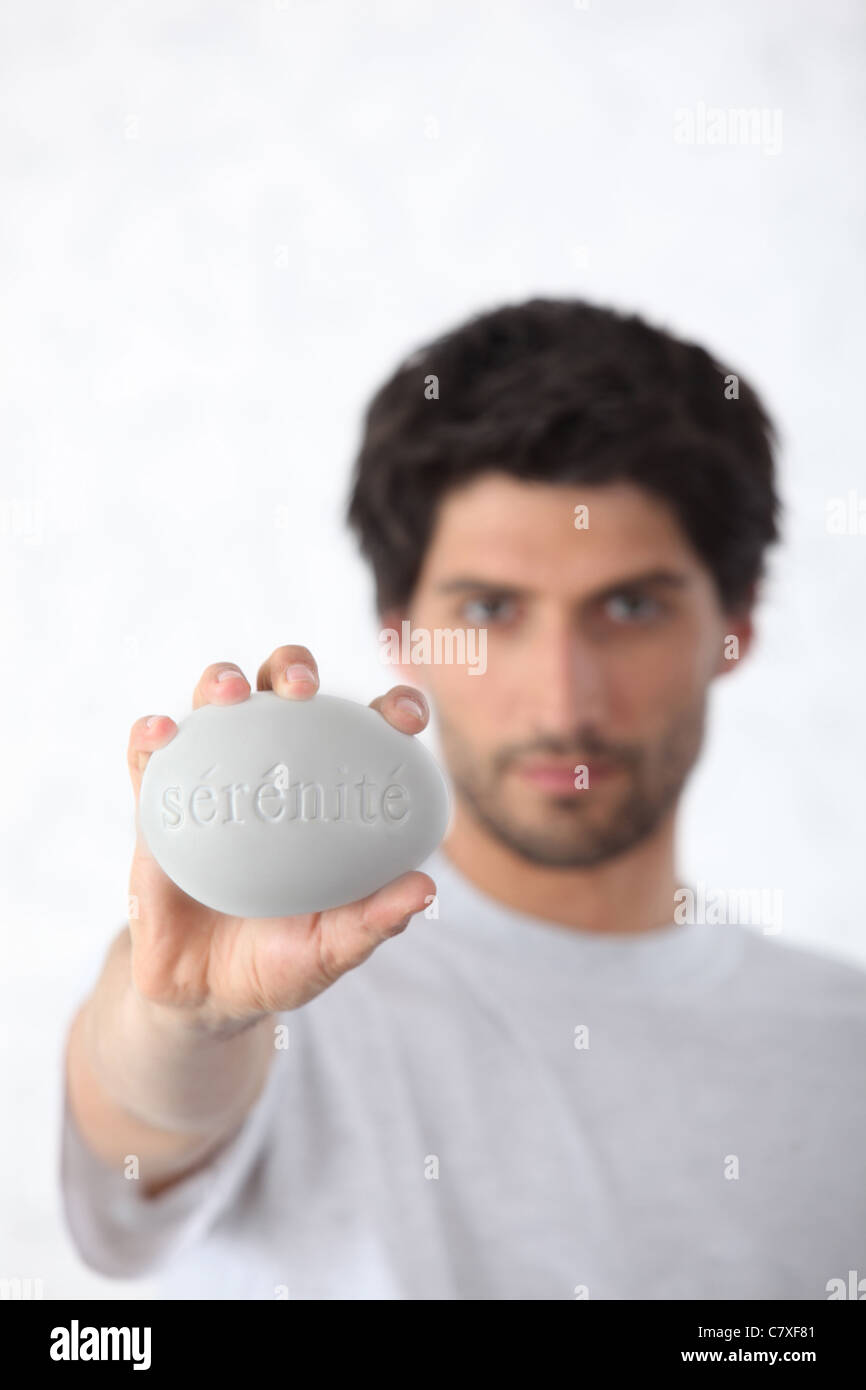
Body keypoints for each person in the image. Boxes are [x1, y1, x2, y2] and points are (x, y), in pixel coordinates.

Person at [61, 298, 866, 1300]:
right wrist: (180, 1022)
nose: (563, 699)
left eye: (629, 606)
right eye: (489, 610)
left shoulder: (843, 1042)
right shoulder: (281, 987)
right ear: (401, 634)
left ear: (734, 624)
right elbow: (131, 1164)